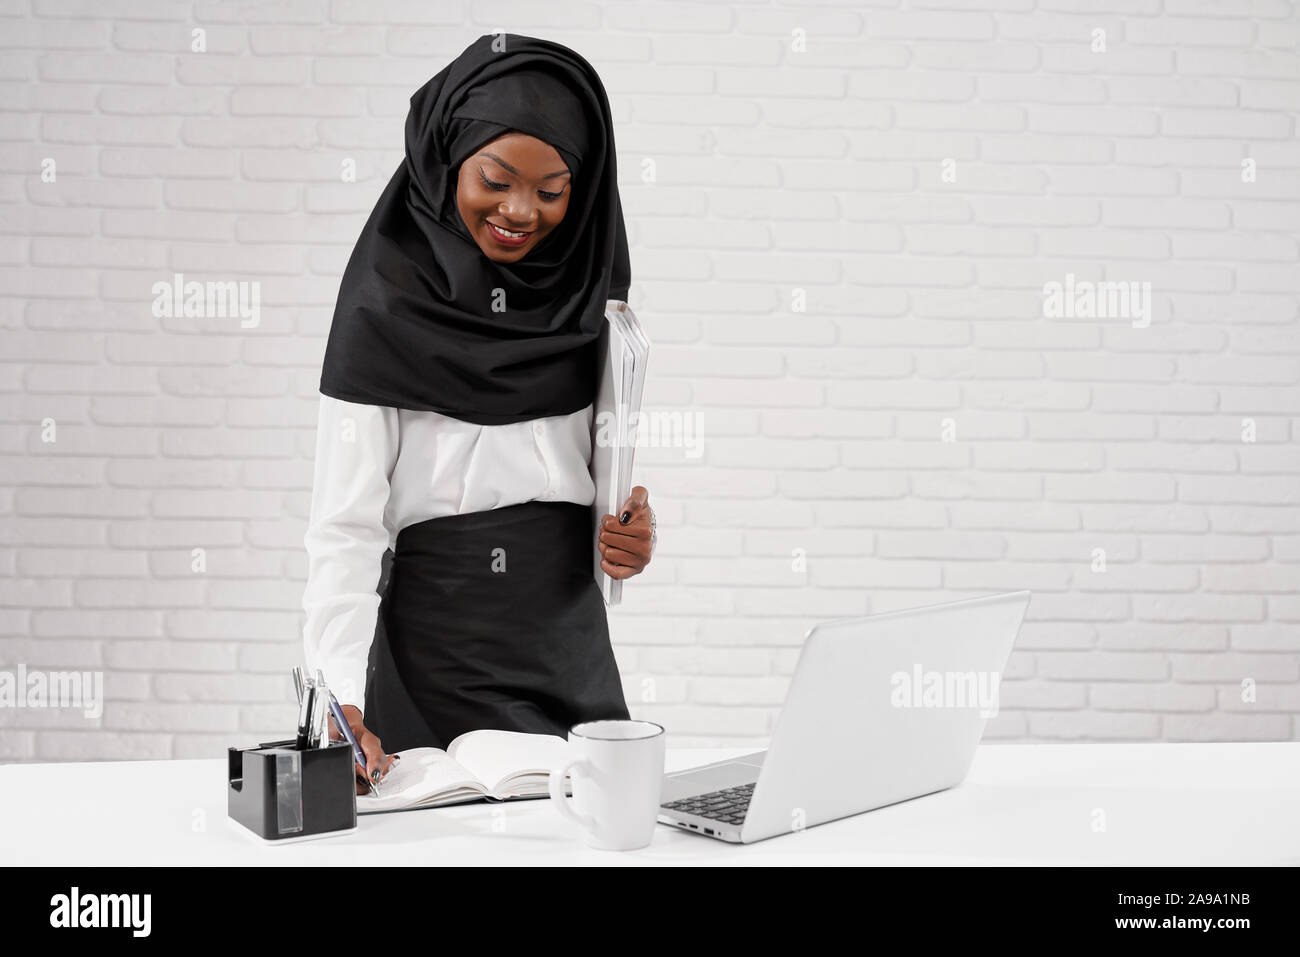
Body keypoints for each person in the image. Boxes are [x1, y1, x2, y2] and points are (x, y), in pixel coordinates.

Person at [300, 33, 655, 794]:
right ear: (444, 160)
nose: (520, 211)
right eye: (495, 178)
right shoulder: (383, 306)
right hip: (435, 647)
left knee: (596, 824)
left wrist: (625, 533)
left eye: (553, 191)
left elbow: (590, 471)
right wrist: (339, 695)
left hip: (570, 639)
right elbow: (346, 524)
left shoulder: (586, 299)